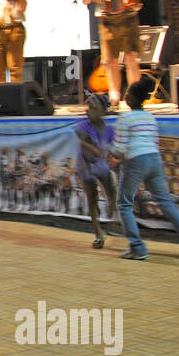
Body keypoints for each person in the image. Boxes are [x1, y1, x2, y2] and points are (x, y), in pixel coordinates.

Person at [110, 77, 179, 261]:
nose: (125, 96)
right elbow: (152, 142)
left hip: (136, 161)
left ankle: (137, 247)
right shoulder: (150, 118)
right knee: (167, 203)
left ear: (132, 99)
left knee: (124, 203)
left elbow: (119, 149)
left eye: (127, 93)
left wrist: (109, 151)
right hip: (154, 160)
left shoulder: (125, 118)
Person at [82, 0, 151, 110]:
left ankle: (135, 96)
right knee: (110, 61)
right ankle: (114, 98)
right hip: (107, 22)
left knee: (130, 58)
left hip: (128, 18)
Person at [75, 95, 118, 249]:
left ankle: (112, 219)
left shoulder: (109, 130)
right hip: (85, 166)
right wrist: (97, 150)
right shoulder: (83, 126)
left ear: (103, 111)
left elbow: (113, 149)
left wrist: (114, 154)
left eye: (93, 107)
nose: (88, 111)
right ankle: (98, 233)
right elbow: (82, 141)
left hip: (101, 165)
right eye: (88, 108)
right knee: (92, 198)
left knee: (111, 191)